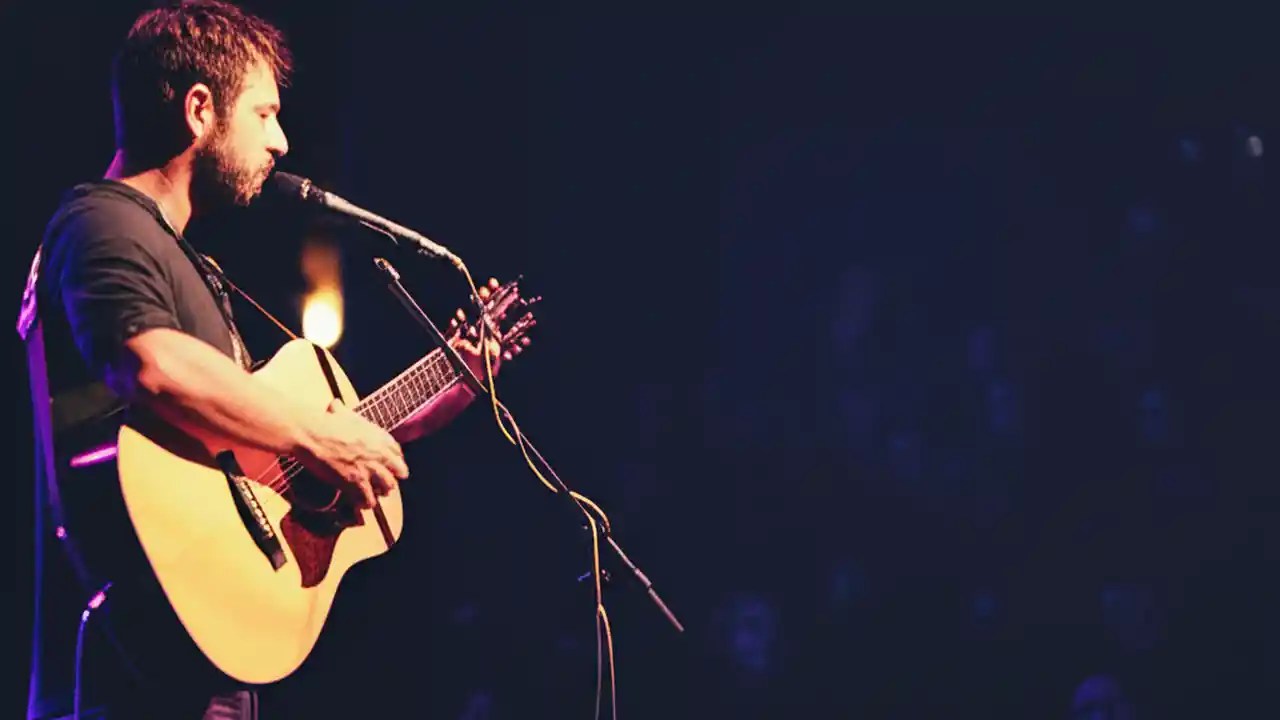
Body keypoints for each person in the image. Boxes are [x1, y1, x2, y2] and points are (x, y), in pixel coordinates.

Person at [20, 1, 507, 718]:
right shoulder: (104, 221)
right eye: (264, 113)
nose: (280, 141)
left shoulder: (181, 257)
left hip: (192, 665)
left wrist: (410, 413)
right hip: (127, 681)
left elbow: (249, 456)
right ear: (198, 110)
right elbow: (148, 364)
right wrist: (317, 435)